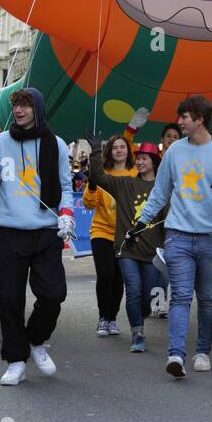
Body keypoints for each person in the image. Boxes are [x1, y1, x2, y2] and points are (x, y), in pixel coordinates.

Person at [130, 95, 212, 378]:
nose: (179, 122)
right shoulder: (174, 152)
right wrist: (140, 222)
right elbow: (160, 192)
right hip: (178, 235)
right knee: (180, 297)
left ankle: (202, 351)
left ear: (200, 119)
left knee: (206, 299)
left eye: (184, 117)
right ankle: (176, 356)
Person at [0, 87, 75, 386]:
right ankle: (15, 359)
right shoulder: (0, 142)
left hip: (46, 231)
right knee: (9, 299)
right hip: (9, 231)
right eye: (16, 105)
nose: (19, 110)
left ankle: (36, 340)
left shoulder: (56, 144)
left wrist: (66, 214)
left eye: (26, 105)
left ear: (37, 109)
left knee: (54, 294)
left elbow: (66, 186)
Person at [90, 140, 166, 353]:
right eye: (138, 158)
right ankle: (137, 333)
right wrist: (97, 151)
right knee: (132, 290)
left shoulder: (162, 190)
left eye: (144, 158)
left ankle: (139, 317)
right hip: (127, 249)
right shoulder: (124, 183)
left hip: (152, 252)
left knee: (147, 296)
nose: (140, 162)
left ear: (154, 162)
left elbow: (168, 220)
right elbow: (97, 177)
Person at [82, 134, 137, 338]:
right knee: (105, 275)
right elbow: (89, 204)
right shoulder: (101, 173)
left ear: (128, 151)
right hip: (101, 231)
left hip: (126, 234)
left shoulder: (135, 173)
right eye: (115, 147)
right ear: (109, 152)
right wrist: (93, 184)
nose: (119, 150)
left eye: (123, 147)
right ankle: (103, 318)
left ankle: (112, 318)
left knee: (119, 278)